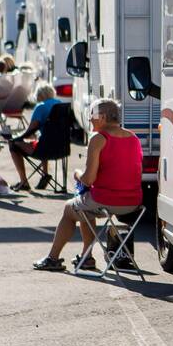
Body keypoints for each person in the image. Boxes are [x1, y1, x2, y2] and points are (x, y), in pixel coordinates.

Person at [33, 98, 142, 272]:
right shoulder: (134, 138)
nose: (90, 119)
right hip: (133, 203)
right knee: (84, 202)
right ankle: (86, 257)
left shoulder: (98, 139)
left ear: (103, 117)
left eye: (92, 114)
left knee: (69, 209)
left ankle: (52, 258)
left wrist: (77, 174)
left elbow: (88, 179)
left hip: (106, 201)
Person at [8, 81, 66, 192]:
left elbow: (30, 131)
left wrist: (16, 137)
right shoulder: (60, 104)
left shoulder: (41, 107)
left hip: (46, 149)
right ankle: (45, 174)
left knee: (13, 144)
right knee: (44, 138)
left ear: (39, 95)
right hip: (62, 147)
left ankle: (24, 181)